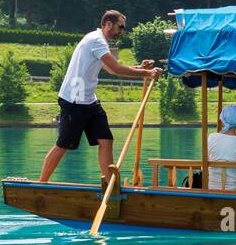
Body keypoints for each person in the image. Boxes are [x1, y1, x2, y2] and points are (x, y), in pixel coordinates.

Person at [39, 10, 160, 183]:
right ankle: (41, 184)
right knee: (63, 144)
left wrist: (139, 68)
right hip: (74, 100)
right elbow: (116, 68)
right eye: (120, 27)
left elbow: (111, 68)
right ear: (108, 24)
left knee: (106, 140)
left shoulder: (100, 42)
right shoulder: (96, 40)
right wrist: (147, 73)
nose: (122, 31)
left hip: (89, 101)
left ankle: (110, 186)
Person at [207, 104, 236, 190]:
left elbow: (204, 166)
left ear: (222, 119)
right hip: (234, 192)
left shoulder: (212, 137)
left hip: (212, 189)